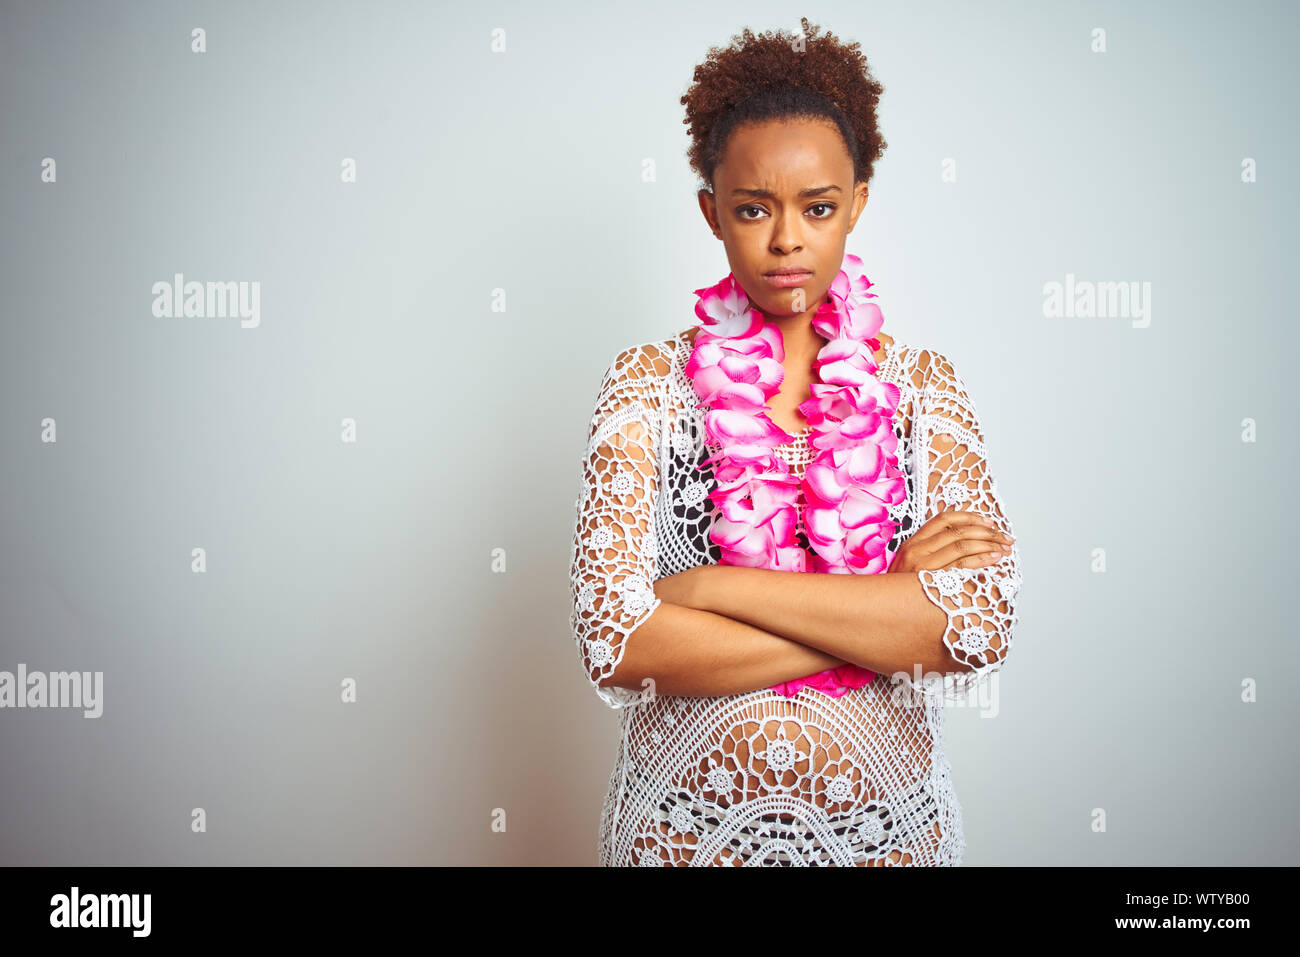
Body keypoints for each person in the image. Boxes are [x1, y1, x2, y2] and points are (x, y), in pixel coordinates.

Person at [567, 18, 1022, 866]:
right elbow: (619, 643)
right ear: (711, 212)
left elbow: (973, 629)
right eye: (752, 208)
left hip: (890, 840)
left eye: (817, 208)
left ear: (855, 203)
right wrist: (880, 604)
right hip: (684, 839)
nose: (786, 241)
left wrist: (703, 589)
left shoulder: (923, 388)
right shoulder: (647, 387)